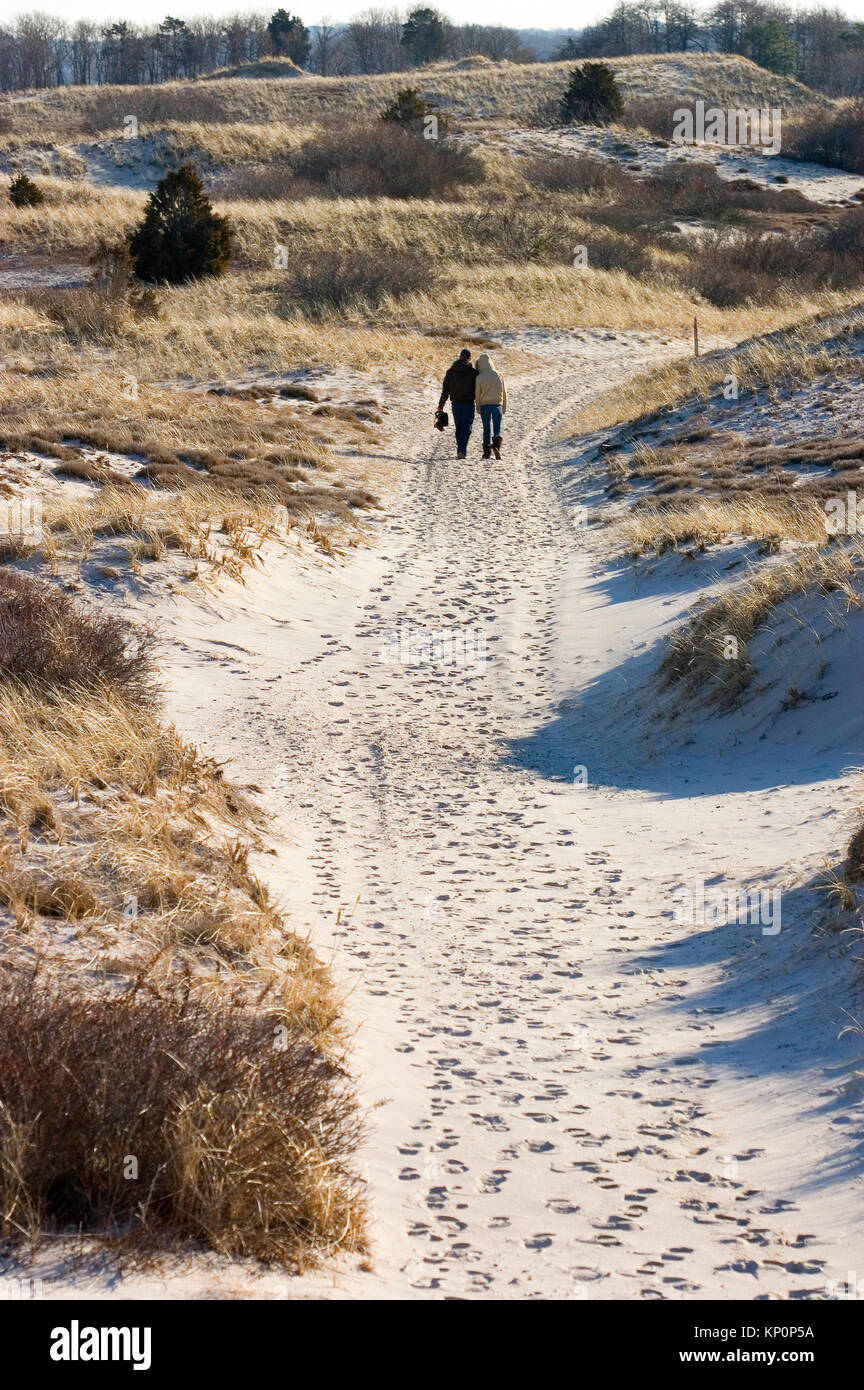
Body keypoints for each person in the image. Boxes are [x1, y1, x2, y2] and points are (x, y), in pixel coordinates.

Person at [437, 348, 477, 460]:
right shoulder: (473, 373)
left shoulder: (450, 372)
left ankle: (460, 449)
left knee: (459, 427)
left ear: (460, 357)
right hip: (468, 404)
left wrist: (440, 406)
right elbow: (479, 389)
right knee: (467, 428)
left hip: (455, 404)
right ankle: (461, 450)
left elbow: (445, 391)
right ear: (470, 358)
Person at [474, 352, 507, 460]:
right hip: (497, 404)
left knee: (486, 429)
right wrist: (504, 406)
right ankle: (496, 446)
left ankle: (487, 453)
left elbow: (477, 394)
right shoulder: (499, 374)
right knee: (497, 427)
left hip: (485, 406)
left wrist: (478, 407)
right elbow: (504, 391)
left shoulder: (479, 377)